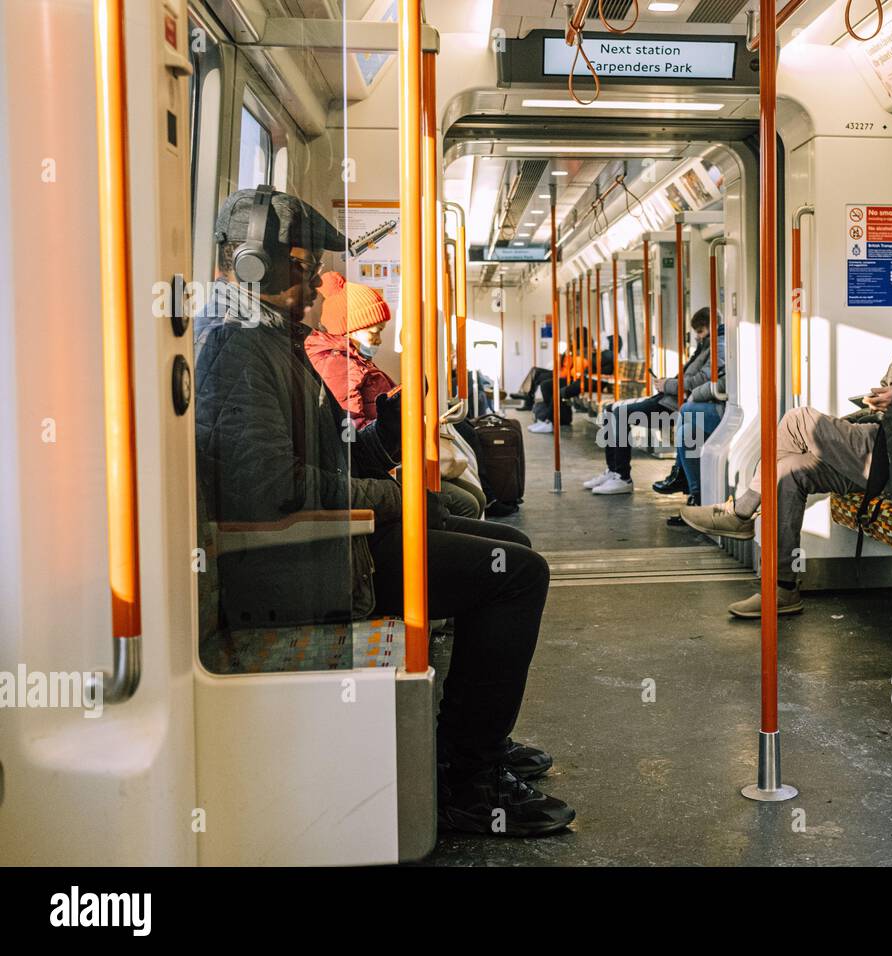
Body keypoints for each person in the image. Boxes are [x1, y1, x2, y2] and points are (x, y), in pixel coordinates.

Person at [194, 186, 574, 837]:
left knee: (503, 546)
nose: (317, 279)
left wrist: (385, 436)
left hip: (338, 542)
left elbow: (332, 464)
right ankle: (468, 775)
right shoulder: (239, 351)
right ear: (256, 263)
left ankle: (469, 739)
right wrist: (393, 497)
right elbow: (270, 490)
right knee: (515, 576)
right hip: (305, 563)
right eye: (303, 263)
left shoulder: (275, 342)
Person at [680, 277, 892, 617]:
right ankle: (783, 589)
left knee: (798, 419)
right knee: (787, 473)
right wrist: (872, 408)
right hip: (885, 453)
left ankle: (741, 512)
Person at [304, 271, 482, 519]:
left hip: (391, 459)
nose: (377, 339)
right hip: (380, 468)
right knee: (466, 504)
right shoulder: (340, 367)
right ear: (350, 330)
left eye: (381, 331)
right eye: (373, 332)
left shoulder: (358, 361)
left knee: (473, 498)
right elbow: (355, 433)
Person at [584, 311, 719, 496]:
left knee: (620, 415)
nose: (697, 336)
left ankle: (623, 478)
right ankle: (613, 470)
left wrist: (668, 385)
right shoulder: (704, 348)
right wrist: (666, 383)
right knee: (609, 410)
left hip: (674, 406)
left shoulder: (716, 348)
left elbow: (700, 380)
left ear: (712, 327)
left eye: (701, 331)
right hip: (667, 398)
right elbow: (687, 378)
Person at [657, 319, 727, 522]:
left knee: (686, 409)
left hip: (723, 409)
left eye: (701, 330)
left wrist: (688, 392)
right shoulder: (710, 346)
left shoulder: (721, 346)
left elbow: (713, 382)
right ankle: (696, 498)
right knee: (685, 432)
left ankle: (678, 473)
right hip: (703, 400)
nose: (697, 336)